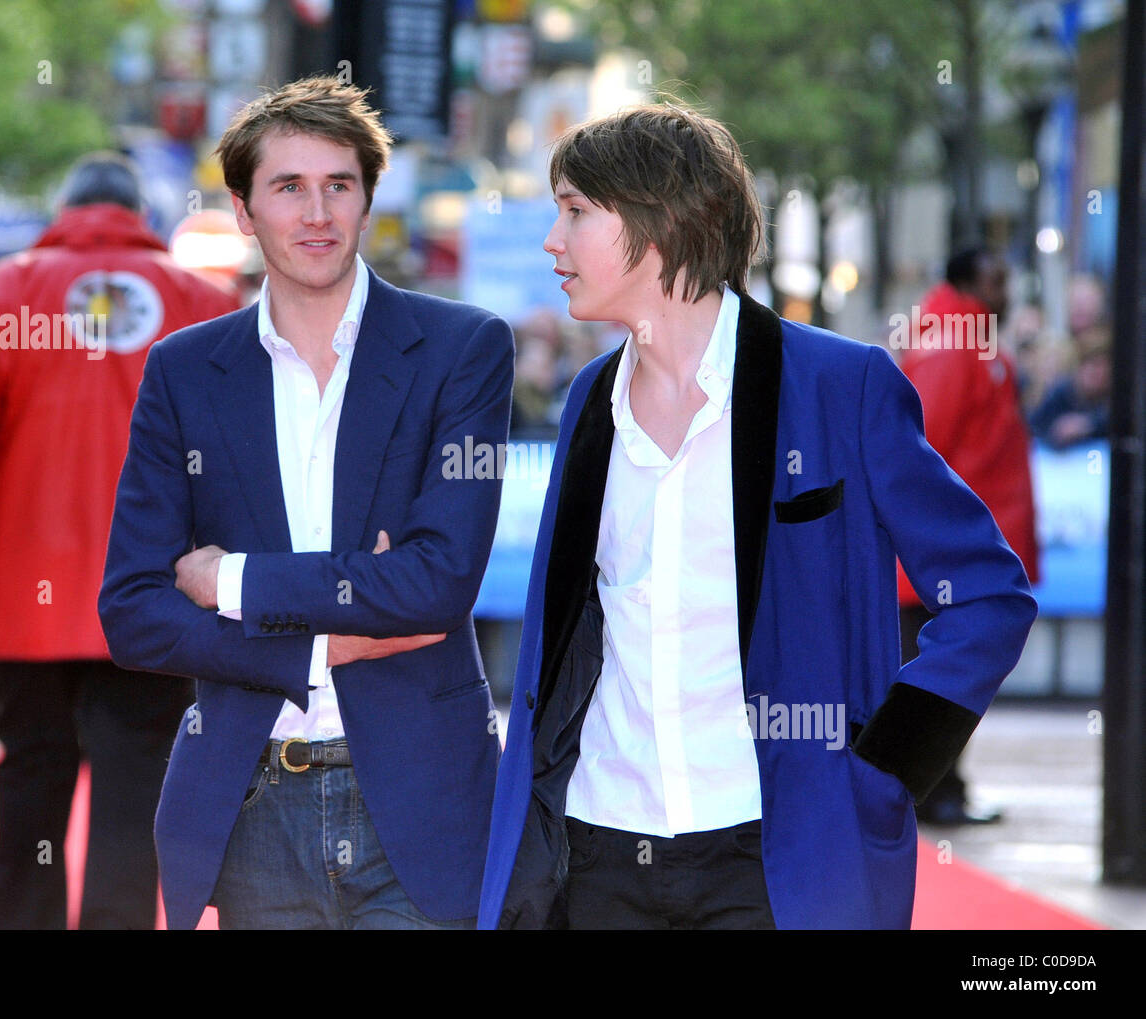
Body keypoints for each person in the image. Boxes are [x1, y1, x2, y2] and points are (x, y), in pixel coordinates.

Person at [478, 103, 1037, 930]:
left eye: (575, 211)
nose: (553, 241)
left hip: (774, 861)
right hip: (596, 852)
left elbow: (989, 594)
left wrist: (886, 767)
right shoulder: (589, 401)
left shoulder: (839, 386)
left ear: (657, 219)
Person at [98, 76, 514, 930]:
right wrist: (321, 647)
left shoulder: (462, 349)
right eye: (289, 187)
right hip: (252, 804)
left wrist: (235, 581)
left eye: (339, 185)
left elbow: (437, 585)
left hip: (422, 801)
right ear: (244, 211)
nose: (317, 212)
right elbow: (133, 610)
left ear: (367, 199)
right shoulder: (183, 370)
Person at [0, 152, 239, 929]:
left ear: (63, 208)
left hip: (27, 595)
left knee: (30, 786)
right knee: (134, 795)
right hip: (158, 597)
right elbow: (233, 460)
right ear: (140, 214)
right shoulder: (203, 299)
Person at [898, 248, 1040, 825]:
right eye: (997, 280)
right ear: (969, 283)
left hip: (955, 552)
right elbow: (921, 445)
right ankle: (932, 794)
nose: (1007, 291)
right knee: (945, 672)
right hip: (946, 557)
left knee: (951, 671)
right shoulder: (955, 345)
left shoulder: (963, 339)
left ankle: (942, 788)